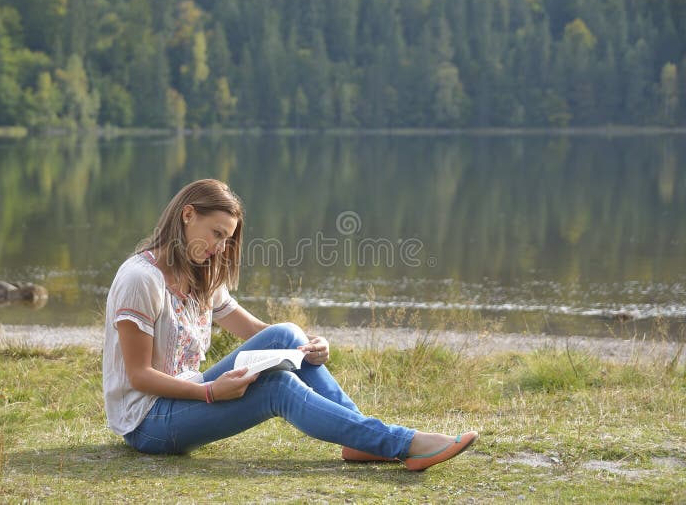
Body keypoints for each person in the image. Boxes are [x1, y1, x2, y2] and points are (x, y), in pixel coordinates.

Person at [102, 179, 477, 471]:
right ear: (188, 215)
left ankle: (362, 438)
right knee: (276, 388)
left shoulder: (199, 274)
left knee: (288, 333)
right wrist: (211, 392)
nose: (220, 248)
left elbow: (257, 331)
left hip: (187, 392)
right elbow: (139, 376)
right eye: (216, 233)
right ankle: (401, 443)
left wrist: (305, 347)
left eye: (227, 239)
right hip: (147, 420)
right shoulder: (142, 279)